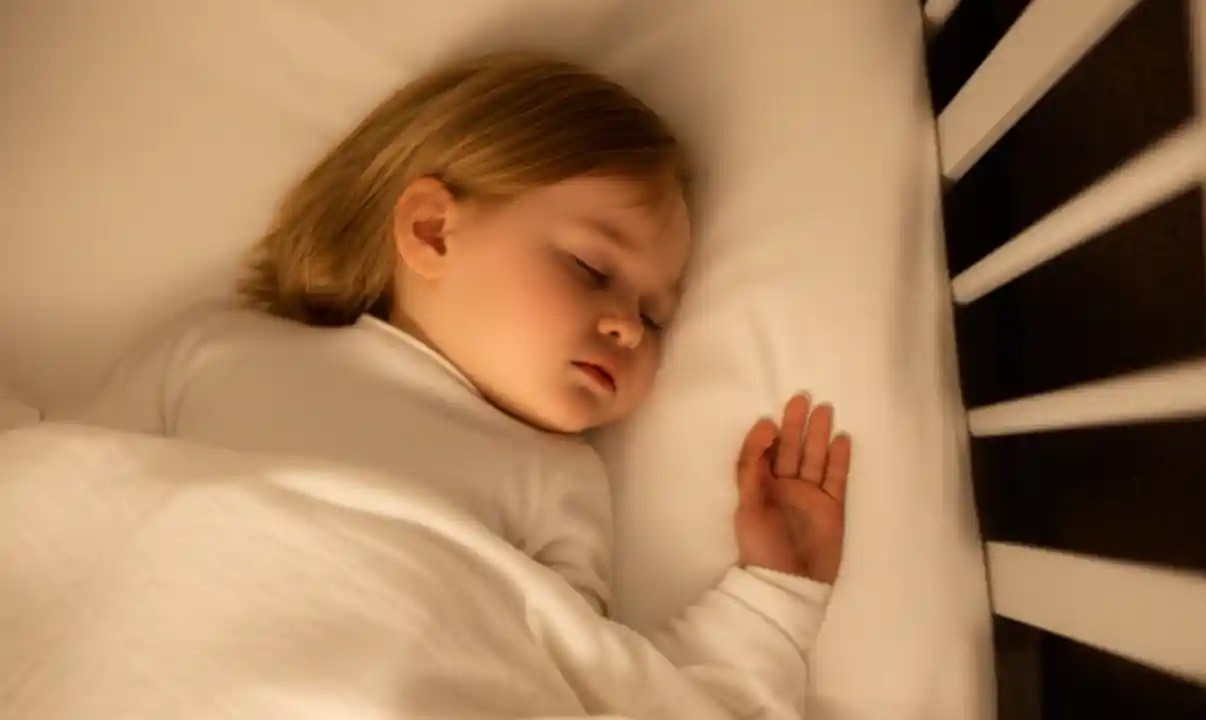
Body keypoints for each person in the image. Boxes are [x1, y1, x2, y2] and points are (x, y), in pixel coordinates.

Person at [55, 51, 851, 716]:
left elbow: (583, 682)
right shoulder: (223, 349)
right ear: (433, 230)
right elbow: (64, 500)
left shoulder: (558, 475)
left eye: (656, 314)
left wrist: (773, 597)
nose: (629, 328)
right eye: (590, 268)